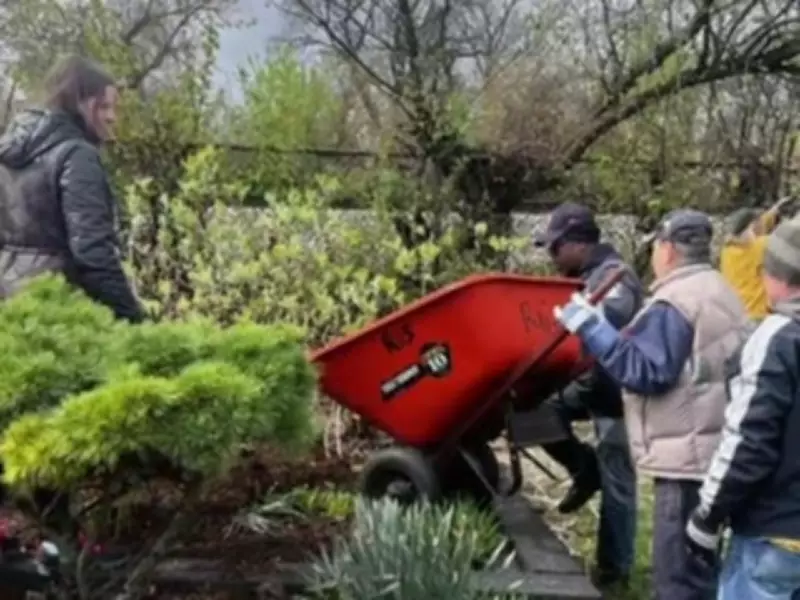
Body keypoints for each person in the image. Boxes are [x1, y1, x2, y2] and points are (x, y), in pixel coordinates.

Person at [552, 209, 749, 600]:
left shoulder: (675, 301)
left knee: (677, 578)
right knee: (701, 564)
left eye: (657, 246)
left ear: (668, 249)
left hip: (684, 457)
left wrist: (592, 328)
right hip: (715, 446)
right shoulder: (721, 289)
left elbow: (646, 372)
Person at [685, 217, 800, 600]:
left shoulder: (777, 338)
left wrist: (707, 517)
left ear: (779, 276)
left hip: (776, 534)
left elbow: (748, 440)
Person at [532, 202, 644, 588]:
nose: (551, 256)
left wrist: (583, 315)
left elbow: (614, 317)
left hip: (616, 393)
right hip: (591, 384)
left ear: (578, 243)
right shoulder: (589, 273)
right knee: (535, 417)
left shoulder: (615, 277)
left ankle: (615, 571)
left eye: (555, 247)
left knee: (619, 485)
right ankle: (584, 469)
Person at [0, 54, 144, 321]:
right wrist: (136, 321)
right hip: (61, 311)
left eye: (114, 108)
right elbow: (93, 253)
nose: (112, 117)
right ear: (78, 104)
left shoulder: (7, 155)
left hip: (9, 308)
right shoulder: (77, 156)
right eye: (103, 107)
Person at [720, 196, 794, 320]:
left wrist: (774, 210)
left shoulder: (727, 250)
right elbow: (788, 236)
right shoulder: (760, 246)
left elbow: (758, 225)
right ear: (752, 226)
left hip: (737, 314)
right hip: (758, 314)